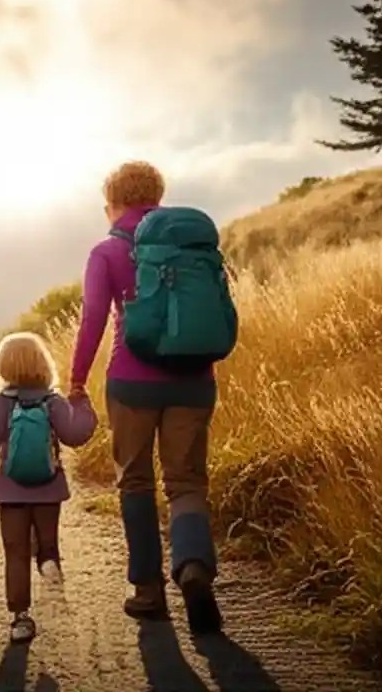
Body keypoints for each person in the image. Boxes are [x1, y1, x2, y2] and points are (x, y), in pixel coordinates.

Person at [68, 161, 224, 635]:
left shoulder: (107, 250)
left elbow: (94, 318)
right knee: (187, 483)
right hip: (194, 378)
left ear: (112, 202)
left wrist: (76, 381)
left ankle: (148, 591)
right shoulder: (193, 244)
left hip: (132, 383)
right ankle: (194, 568)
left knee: (135, 483)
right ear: (158, 195)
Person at [0, 332, 95, 643]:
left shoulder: (0, 404)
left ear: (3, 366)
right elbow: (75, 435)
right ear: (42, 364)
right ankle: (49, 563)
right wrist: (84, 405)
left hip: (11, 491)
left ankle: (20, 618)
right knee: (46, 542)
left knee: (15, 551)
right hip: (49, 489)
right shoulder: (53, 401)